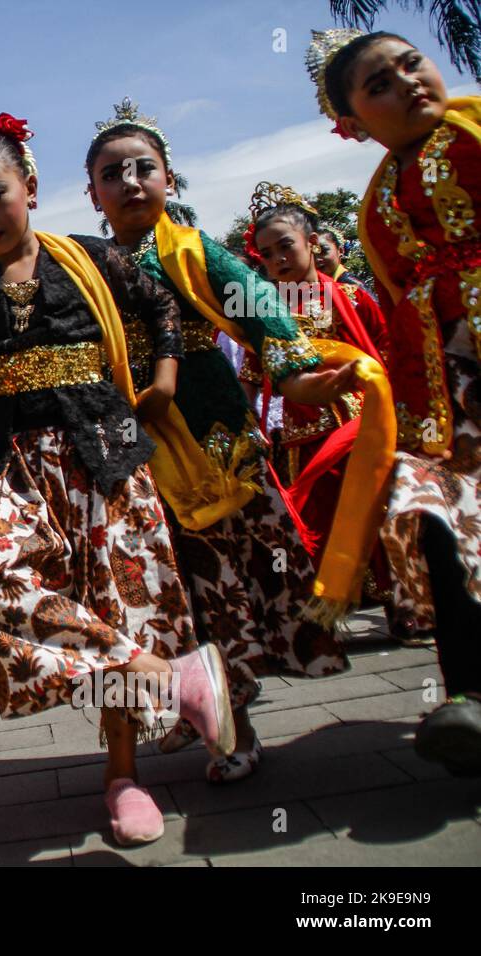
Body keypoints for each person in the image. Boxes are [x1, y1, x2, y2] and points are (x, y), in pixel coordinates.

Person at [0, 103, 237, 845]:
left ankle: (122, 777)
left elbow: (159, 305)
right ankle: (171, 675)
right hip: (13, 463)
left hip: (105, 452)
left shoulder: (90, 257)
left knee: (113, 602)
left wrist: (168, 379)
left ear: (30, 184)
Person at [87, 105, 356, 781]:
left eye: (144, 167)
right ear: (93, 193)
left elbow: (261, 308)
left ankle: (232, 720)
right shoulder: (84, 269)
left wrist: (296, 375)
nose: (131, 182)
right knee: (182, 590)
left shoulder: (194, 250)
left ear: (169, 178)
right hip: (142, 457)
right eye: (112, 174)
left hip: (218, 442)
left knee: (229, 582)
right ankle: (212, 710)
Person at [311, 27, 481, 773]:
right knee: (441, 527)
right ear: (351, 123)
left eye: (412, 63)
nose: (409, 82)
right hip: (442, 394)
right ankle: (467, 695)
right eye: (380, 83)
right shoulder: (378, 202)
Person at [243, 182, 386, 547]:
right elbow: (250, 378)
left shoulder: (352, 298)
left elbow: (387, 354)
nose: (278, 259)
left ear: (311, 243)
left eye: (286, 246)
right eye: (267, 253)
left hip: (367, 427)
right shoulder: (268, 313)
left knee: (382, 526)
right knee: (326, 530)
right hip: (305, 438)